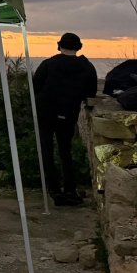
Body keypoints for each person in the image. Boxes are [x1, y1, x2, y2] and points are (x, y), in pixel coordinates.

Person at [33, 32, 97, 207]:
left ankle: (54, 190)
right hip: (68, 113)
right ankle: (69, 189)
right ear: (78, 48)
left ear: (59, 46)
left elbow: (35, 86)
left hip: (45, 112)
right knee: (65, 150)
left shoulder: (49, 64)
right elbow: (90, 95)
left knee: (46, 149)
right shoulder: (87, 67)